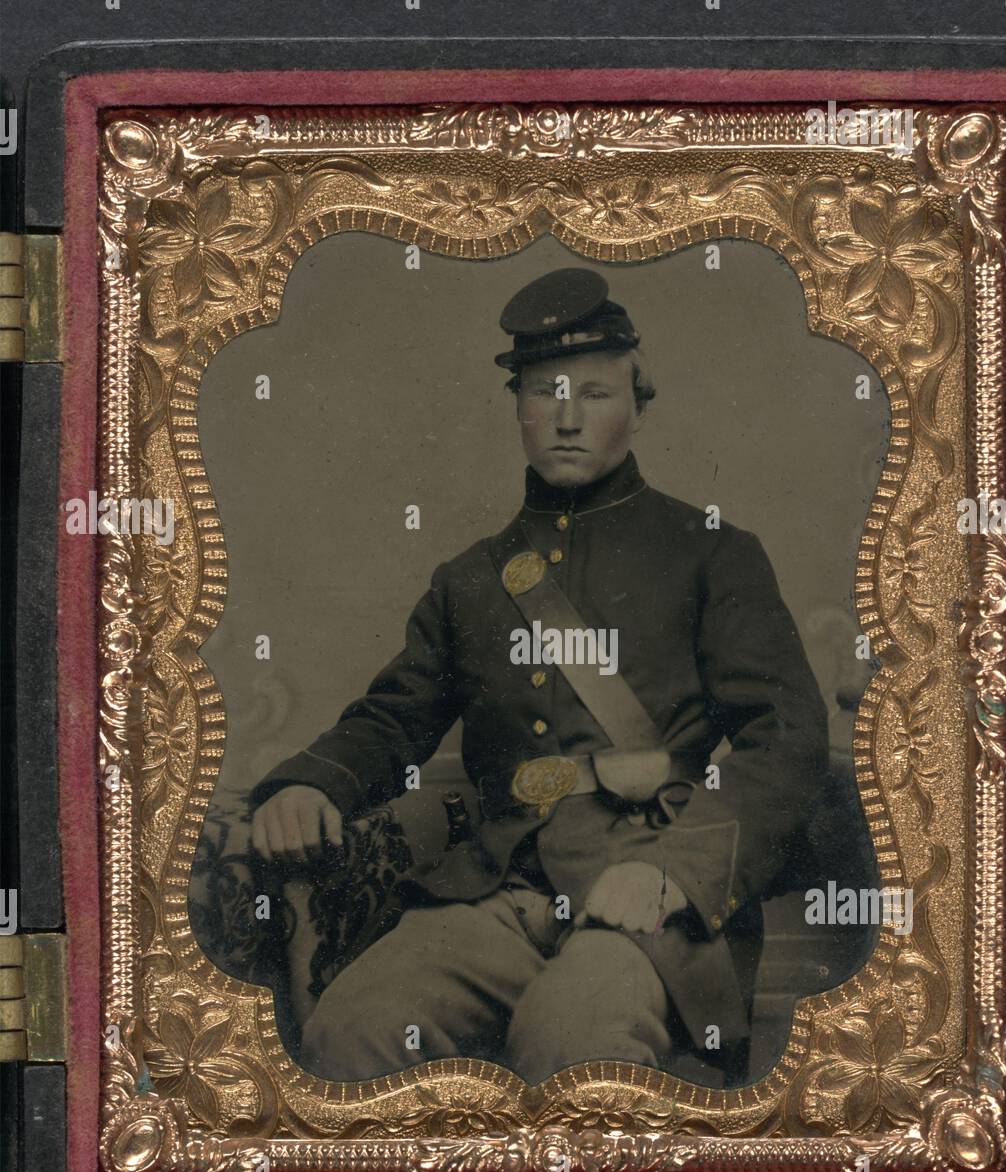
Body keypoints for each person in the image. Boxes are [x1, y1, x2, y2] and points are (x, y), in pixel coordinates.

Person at [250, 266, 829, 1086]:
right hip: (498, 889)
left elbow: (787, 739)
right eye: (544, 392)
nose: (566, 418)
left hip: (650, 889)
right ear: (517, 406)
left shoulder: (711, 553)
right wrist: (311, 784)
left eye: (594, 394)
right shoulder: (471, 581)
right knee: (351, 1033)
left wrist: (674, 873)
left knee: (572, 1043)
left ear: (637, 404)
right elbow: (392, 719)